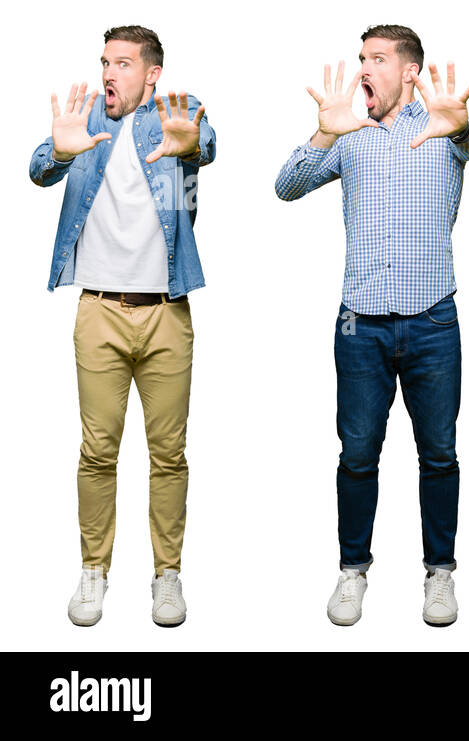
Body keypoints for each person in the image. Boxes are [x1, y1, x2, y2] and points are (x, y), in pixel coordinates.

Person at [274, 24, 469, 627]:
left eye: (376, 58)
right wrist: (324, 131)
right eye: (360, 58)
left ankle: (440, 573)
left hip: (432, 324)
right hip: (360, 327)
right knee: (358, 452)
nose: (363, 67)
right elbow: (285, 187)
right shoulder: (350, 133)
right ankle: (352, 570)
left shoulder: (444, 124)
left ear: (410, 71)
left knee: (439, 454)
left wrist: (462, 125)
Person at [30, 25, 214, 628]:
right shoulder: (86, 118)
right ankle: (93, 570)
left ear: (151, 73)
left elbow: (204, 144)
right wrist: (59, 152)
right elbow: (41, 167)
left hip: (166, 311)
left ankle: (167, 574)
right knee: (97, 451)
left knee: (169, 454)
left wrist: (191, 144)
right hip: (99, 311)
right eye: (105, 61)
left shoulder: (176, 115)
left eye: (123, 63)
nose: (110, 72)